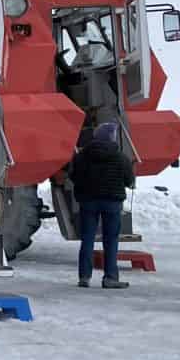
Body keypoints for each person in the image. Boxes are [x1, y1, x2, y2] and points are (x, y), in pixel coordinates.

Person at [69, 121, 135, 288]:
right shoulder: (121, 157)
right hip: (112, 203)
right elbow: (129, 180)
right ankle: (110, 278)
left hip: (88, 202)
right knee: (111, 240)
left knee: (87, 239)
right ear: (112, 138)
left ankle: (84, 277)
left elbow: (73, 176)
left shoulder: (82, 156)